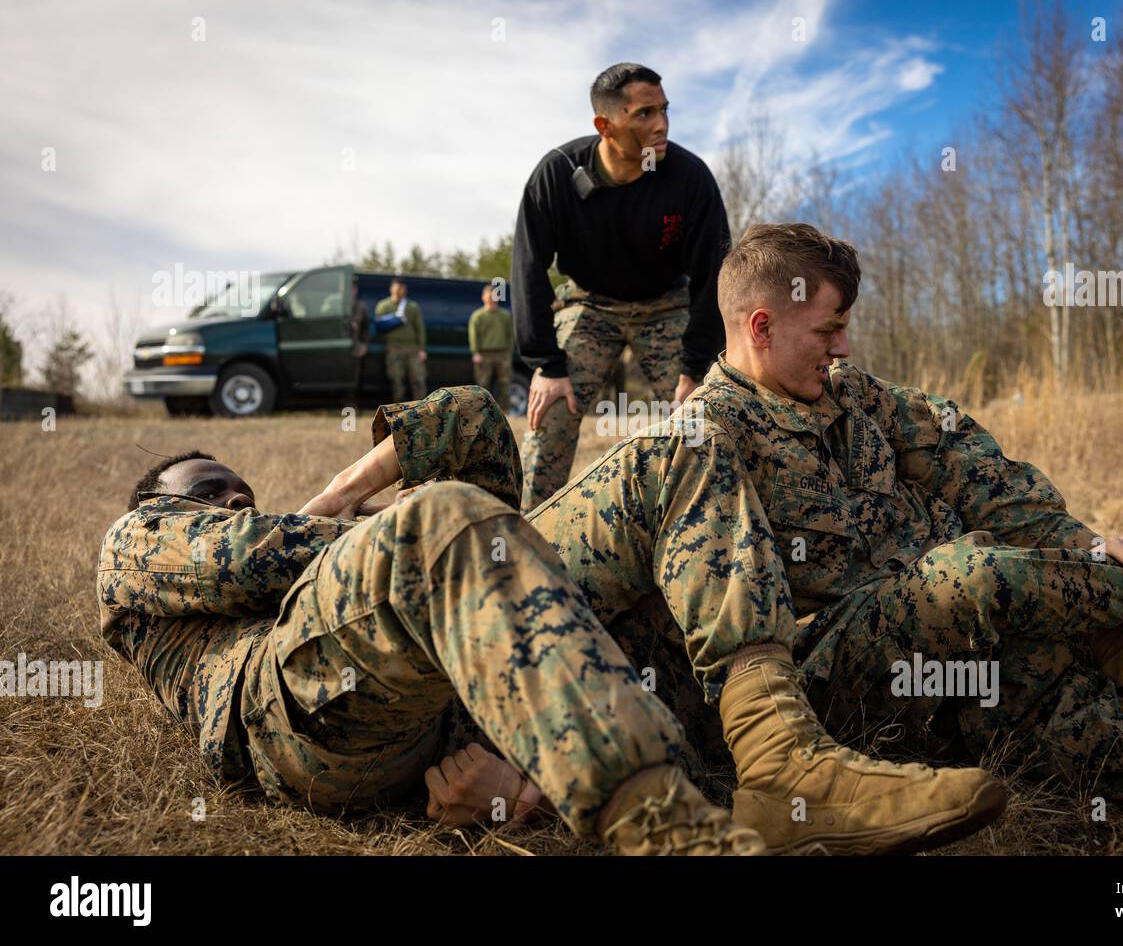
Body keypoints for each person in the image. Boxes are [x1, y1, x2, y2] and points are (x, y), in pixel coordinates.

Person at [523, 222, 1123, 830]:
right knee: (979, 580)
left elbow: (974, 468)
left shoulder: (856, 394)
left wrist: (1088, 545)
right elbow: (584, 610)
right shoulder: (700, 445)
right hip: (845, 674)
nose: (844, 346)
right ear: (760, 326)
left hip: (990, 628)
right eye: (827, 329)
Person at [96, 386, 763, 855]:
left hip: (447, 687)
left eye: (240, 488)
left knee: (672, 451)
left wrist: (338, 499)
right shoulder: (133, 542)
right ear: (163, 508)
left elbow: (473, 424)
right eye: (208, 491)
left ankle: (773, 748)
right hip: (293, 707)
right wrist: (405, 523)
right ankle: (671, 828)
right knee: (442, 518)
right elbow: (241, 557)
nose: (235, 495)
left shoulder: (331, 543)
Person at [512, 62, 730, 510]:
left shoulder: (690, 178)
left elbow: (714, 275)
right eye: (644, 114)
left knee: (706, 414)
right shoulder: (556, 174)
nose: (661, 124)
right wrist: (547, 365)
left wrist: (695, 368)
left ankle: (710, 526)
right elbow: (529, 268)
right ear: (605, 125)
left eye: (665, 110)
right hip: (591, 305)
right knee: (551, 409)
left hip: (667, 304)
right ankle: (529, 530)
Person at [374, 276, 427, 402]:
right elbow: (378, 327)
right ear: (391, 289)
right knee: (396, 380)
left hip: (412, 348)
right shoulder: (383, 306)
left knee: (418, 379)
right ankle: (400, 412)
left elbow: (420, 328)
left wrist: (421, 348)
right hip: (393, 348)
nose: (399, 291)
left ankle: (421, 411)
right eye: (397, 288)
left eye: (402, 288)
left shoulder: (412, 306)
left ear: (405, 290)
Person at [468, 283, 514, 408]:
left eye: (495, 295)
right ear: (483, 297)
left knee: (505, 383)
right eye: (489, 295)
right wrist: (476, 352)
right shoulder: (478, 316)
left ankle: (505, 411)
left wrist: (509, 351)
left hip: (502, 353)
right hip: (484, 354)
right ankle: (482, 411)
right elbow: (473, 335)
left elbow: (510, 334)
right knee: (483, 384)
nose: (492, 298)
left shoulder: (505, 315)